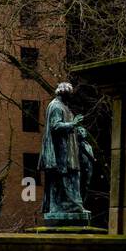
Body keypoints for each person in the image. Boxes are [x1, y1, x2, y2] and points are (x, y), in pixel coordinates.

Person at [39, 82, 91, 225]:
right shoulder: (56, 106)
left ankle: (73, 206)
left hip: (69, 151)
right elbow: (55, 126)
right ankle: (69, 207)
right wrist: (73, 124)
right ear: (64, 94)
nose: (71, 97)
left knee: (72, 178)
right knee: (65, 179)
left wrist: (78, 130)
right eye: (69, 94)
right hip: (61, 152)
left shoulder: (64, 107)